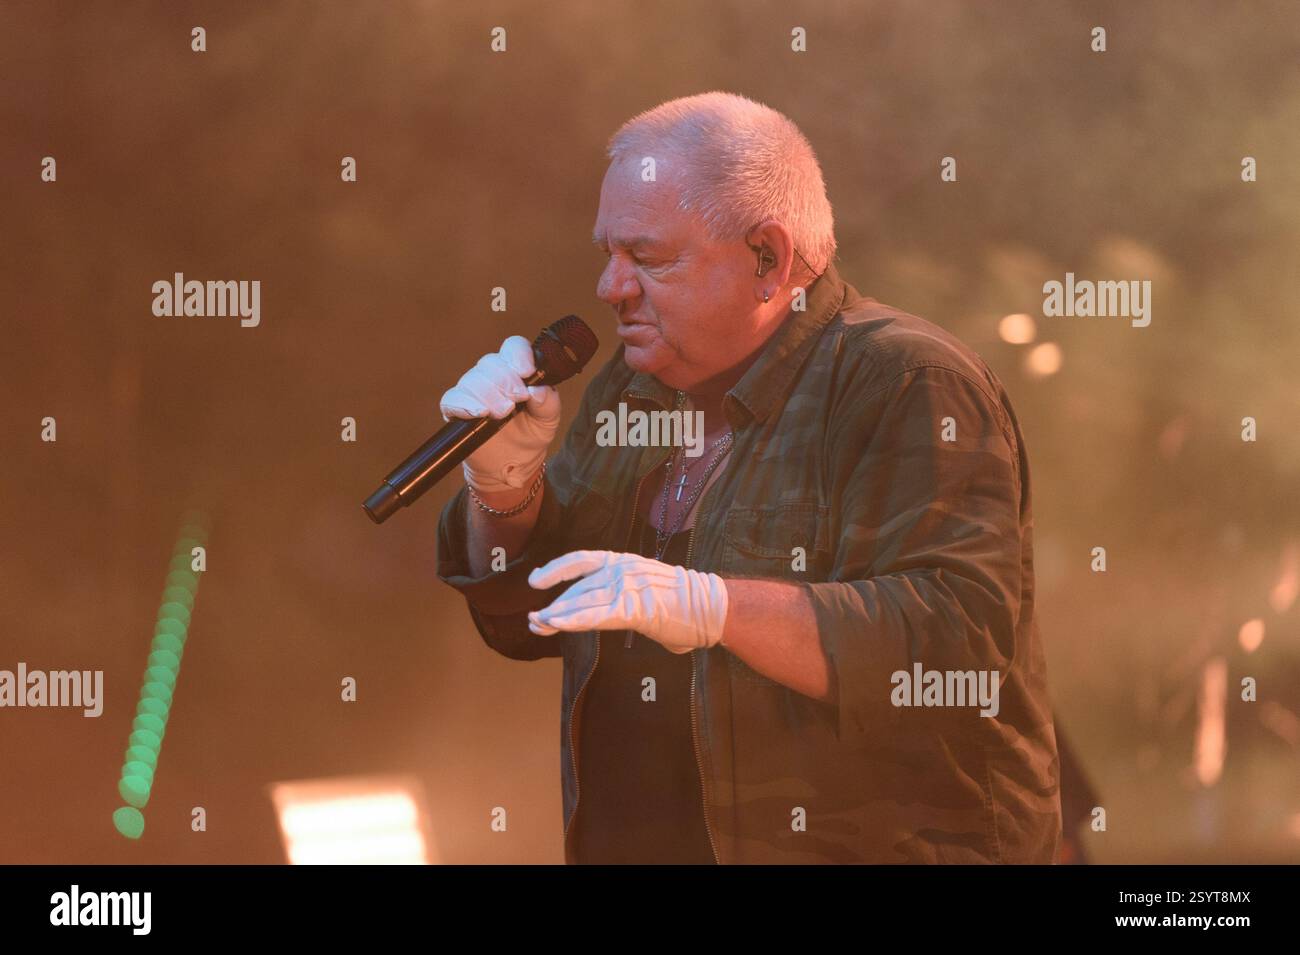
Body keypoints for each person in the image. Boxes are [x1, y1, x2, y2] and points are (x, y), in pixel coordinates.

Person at [436, 91, 1061, 863]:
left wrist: (715, 605)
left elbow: (953, 646)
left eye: (648, 256)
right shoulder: (631, 390)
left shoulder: (905, 379)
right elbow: (526, 618)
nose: (611, 287)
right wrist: (502, 494)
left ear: (767, 257)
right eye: (607, 252)